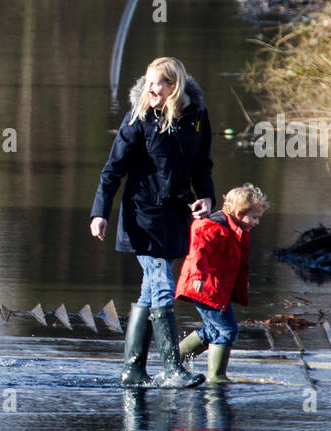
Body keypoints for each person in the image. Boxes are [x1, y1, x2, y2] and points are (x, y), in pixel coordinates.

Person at [90, 57, 214, 388]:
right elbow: (112, 170)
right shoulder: (138, 119)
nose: (151, 89)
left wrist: (206, 197)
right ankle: (173, 368)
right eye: (148, 82)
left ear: (176, 86)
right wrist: (99, 212)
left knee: (149, 291)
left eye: (159, 83)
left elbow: (202, 163)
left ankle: (133, 370)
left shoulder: (197, 118)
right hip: (141, 217)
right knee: (161, 282)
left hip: (176, 216)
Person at [175, 183, 269, 382]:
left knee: (213, 330)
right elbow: (197, 253)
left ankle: (175, 359)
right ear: (238, 212)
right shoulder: (211, 226)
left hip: (215, 289)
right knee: (228, 330)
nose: (257, 222)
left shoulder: (237, 231)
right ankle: (217, 376)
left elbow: (234, 262)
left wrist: (242, 282)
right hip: (203, 287)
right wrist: (199, 276)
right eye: (254, 217)